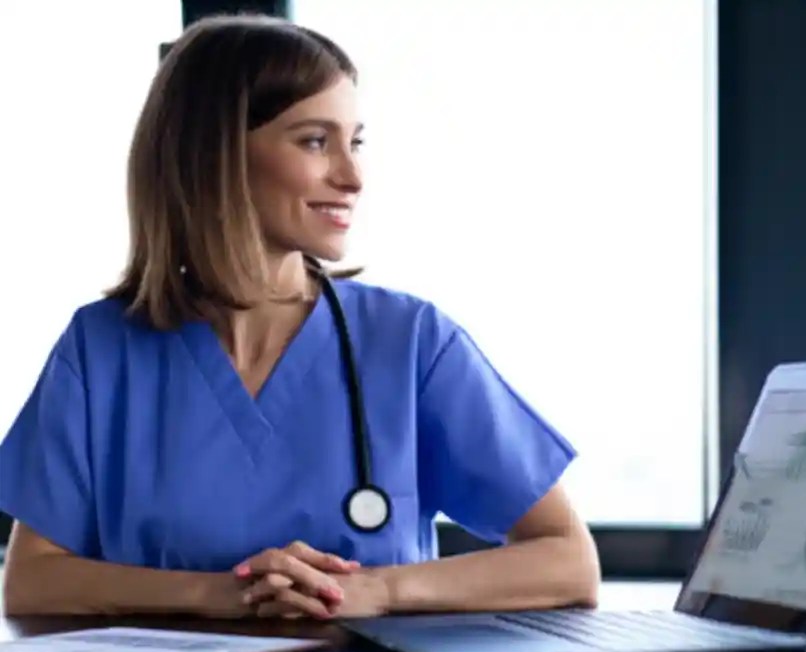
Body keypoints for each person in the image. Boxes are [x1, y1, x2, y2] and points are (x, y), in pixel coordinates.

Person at [0, 14, 599, 619]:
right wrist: (221, 594)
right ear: (218, 153)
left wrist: (378, 591)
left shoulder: (410, 343)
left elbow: (567, 560)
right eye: (316, 141)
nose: (352, 176)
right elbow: (33, 581)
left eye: (355, 142)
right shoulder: (102, 350)